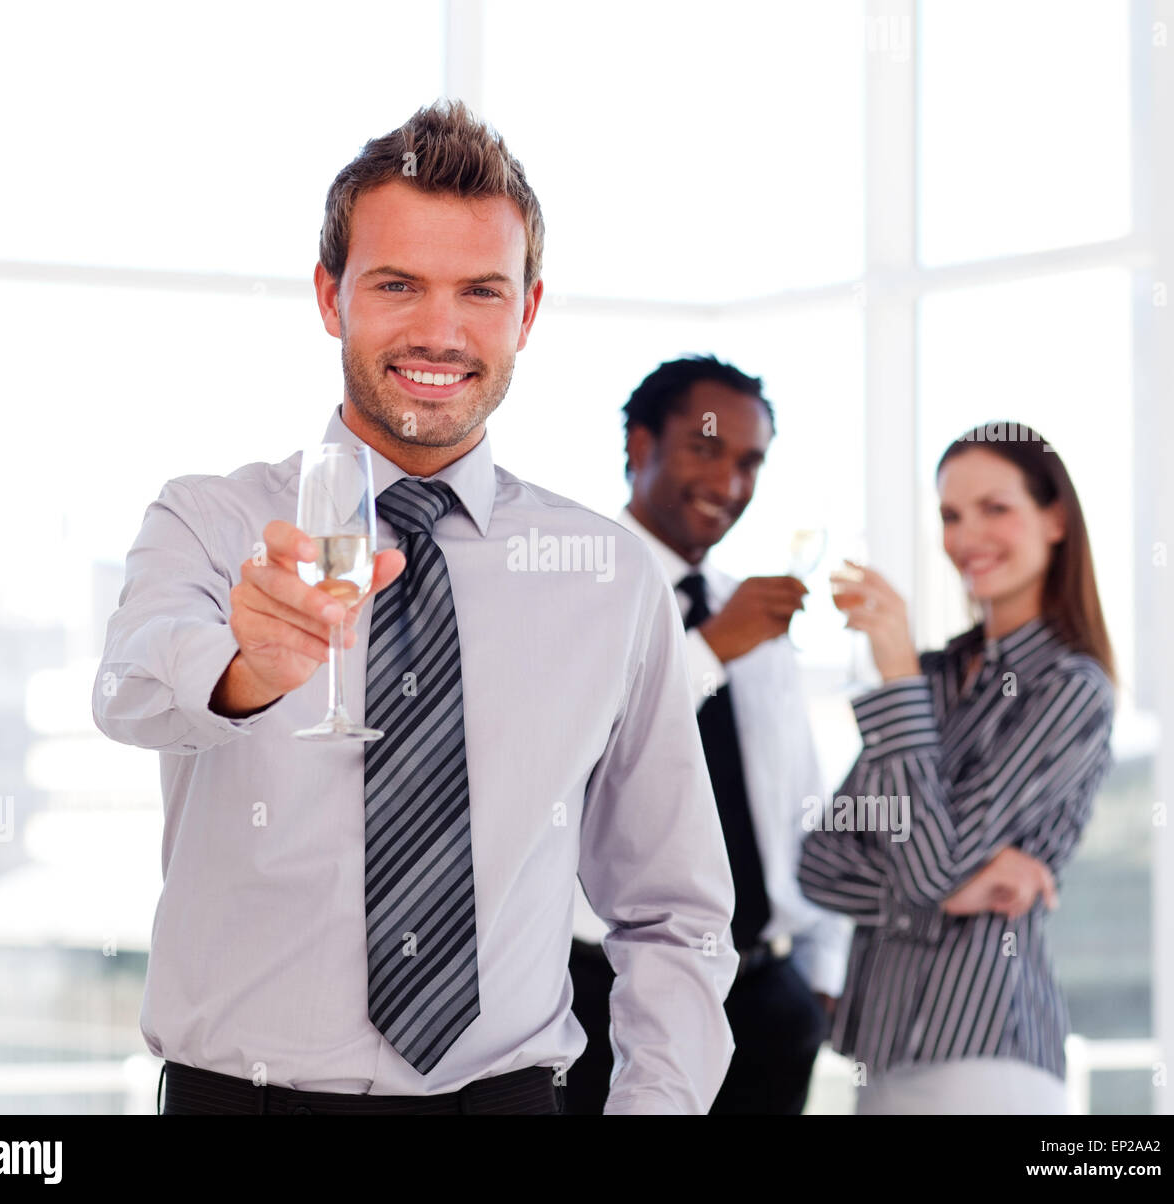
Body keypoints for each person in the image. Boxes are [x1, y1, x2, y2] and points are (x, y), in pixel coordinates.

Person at [92, 100, 739, 1116]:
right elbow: (129, 687)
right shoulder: (213, 521)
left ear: (525, 312)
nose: (439, 331)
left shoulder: (607, 578)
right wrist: (247, 667)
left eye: (479, 291)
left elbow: (672, 908)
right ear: (329, 295)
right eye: (396, 284)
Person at [797, 423, 1115, 1114]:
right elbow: (819, 862)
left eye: (995, 508)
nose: (968, 536)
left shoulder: (1067, 688)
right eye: (950, 515)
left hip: (987, 1055)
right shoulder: (935, 680)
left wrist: (895, 674)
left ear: (1055, 518)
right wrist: (951, 893)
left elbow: (931, 865)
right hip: (879, 1052)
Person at [565, 355, 851, 1114]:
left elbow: (799, 802)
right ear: (640, 446)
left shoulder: (754, 617)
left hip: (766, 1003)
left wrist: (819, 977)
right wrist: (710, 650)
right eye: (704, 448)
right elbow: (570, 767)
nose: (728, 484)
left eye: (749, 462)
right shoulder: (572, 594)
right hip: (605, 999)